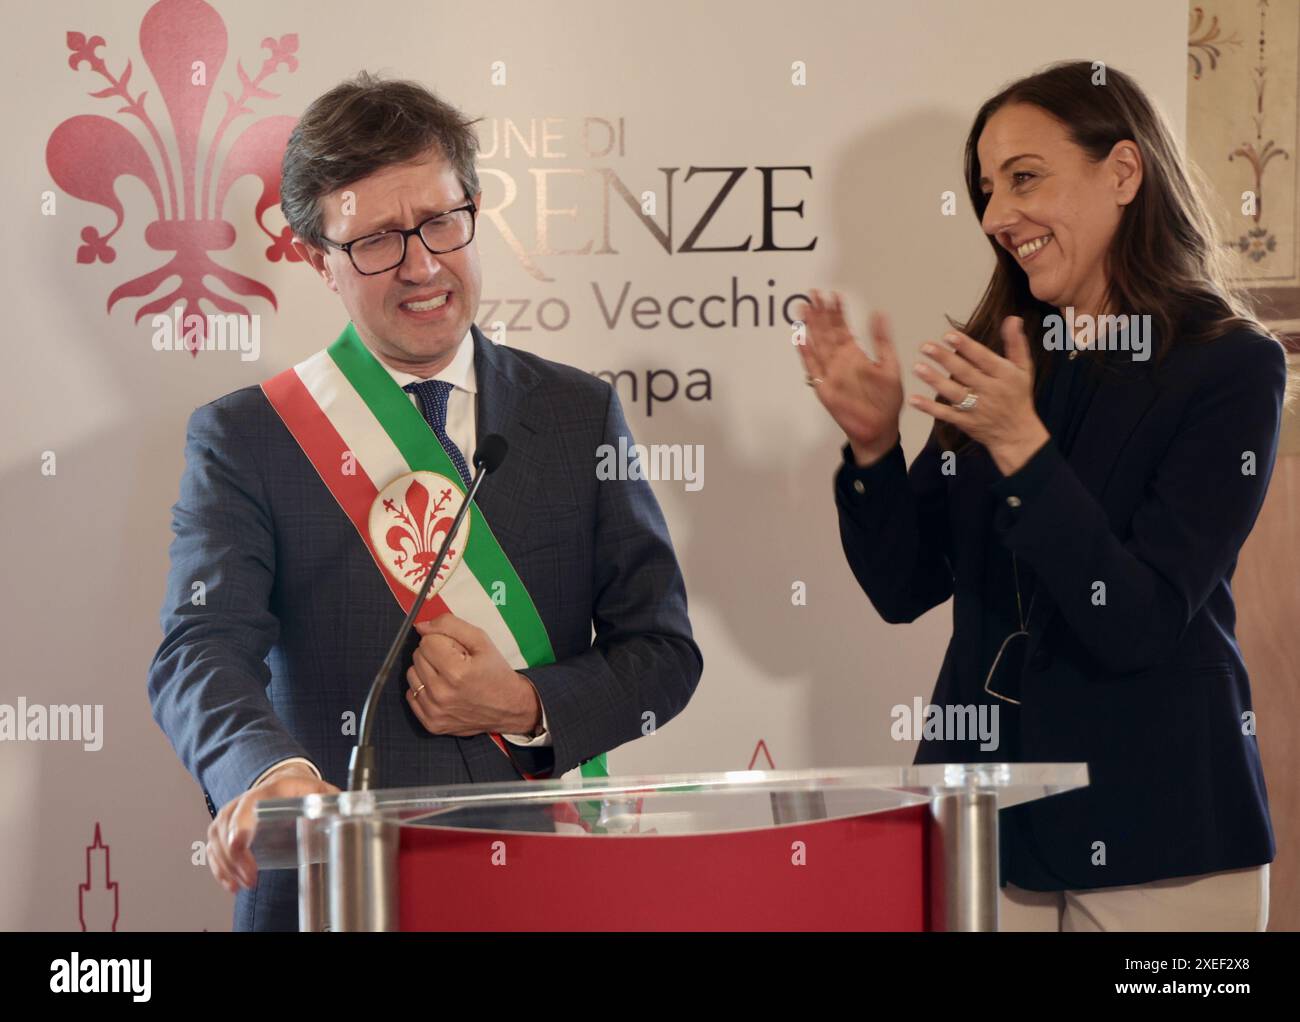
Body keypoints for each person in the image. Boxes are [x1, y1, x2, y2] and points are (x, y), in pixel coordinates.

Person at [148, 72, 702, 931]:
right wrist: (268, 777)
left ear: (474, 206)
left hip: (545, 878)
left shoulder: (575, 413)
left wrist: (523, 706)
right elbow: (199, 649)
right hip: (334, 887)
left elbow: (663, 654)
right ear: (314, 258)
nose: (422, 265)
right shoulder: (247, 438)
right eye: (375, 240)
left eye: (441, 221)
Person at [798, 61, 1292, 931]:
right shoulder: (1002, 353)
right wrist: (874, 447)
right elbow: (903, 588)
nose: (996, 218)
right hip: (983, 825)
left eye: (1025, 179)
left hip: (1162, 832)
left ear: (1124, 173)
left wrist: (1024, 448)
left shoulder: (1232, 366)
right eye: (986, 191)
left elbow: (1136, 617)